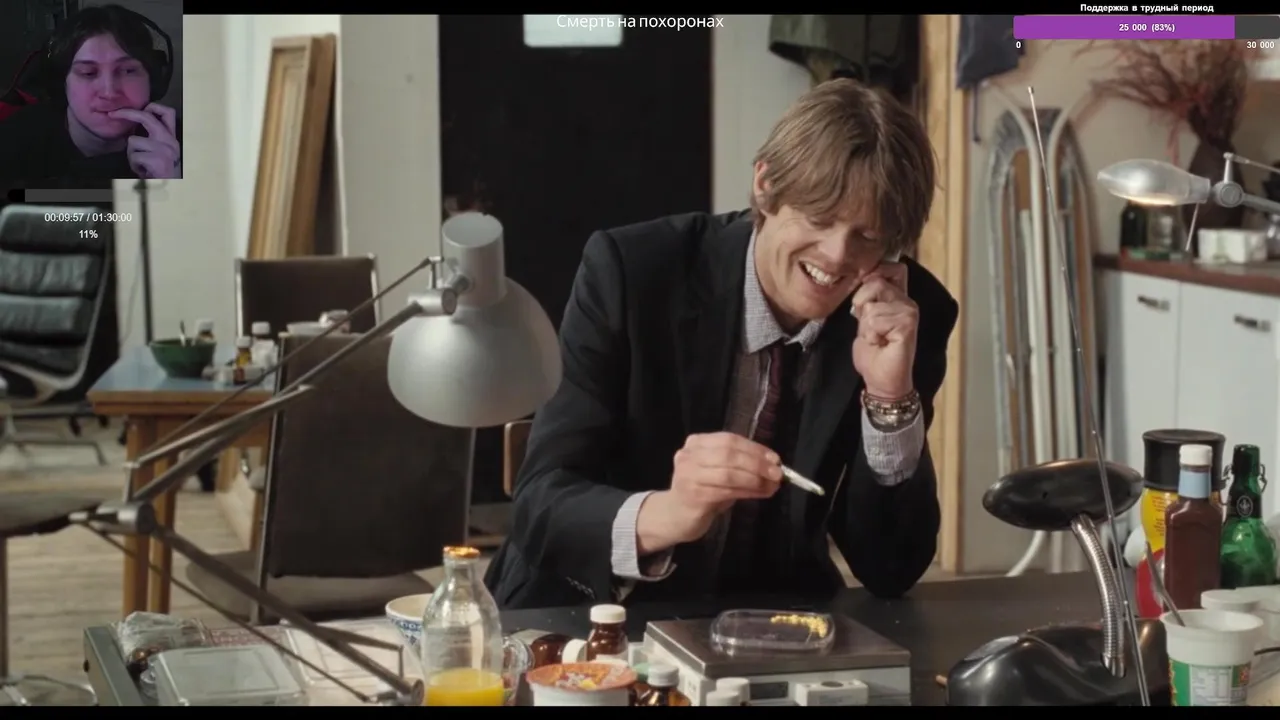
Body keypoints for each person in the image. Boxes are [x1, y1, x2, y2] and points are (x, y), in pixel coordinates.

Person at [485, 78, 960, 609]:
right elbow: (541, 504)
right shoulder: (633, 272)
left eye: (867, 236)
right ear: (765, 184)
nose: (836, 256)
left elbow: (891, 568)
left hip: (774, 626)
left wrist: (890, 399)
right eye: (820, 218)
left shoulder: (904, 317)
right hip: (590, 612)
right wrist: (671, 512)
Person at [0, 4, 180, 186]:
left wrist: (172, 184)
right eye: (88, 73)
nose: (109, 93)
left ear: (153, 81)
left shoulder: (185, 144)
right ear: (62, 84)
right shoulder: (13, 141)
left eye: (128, 71)